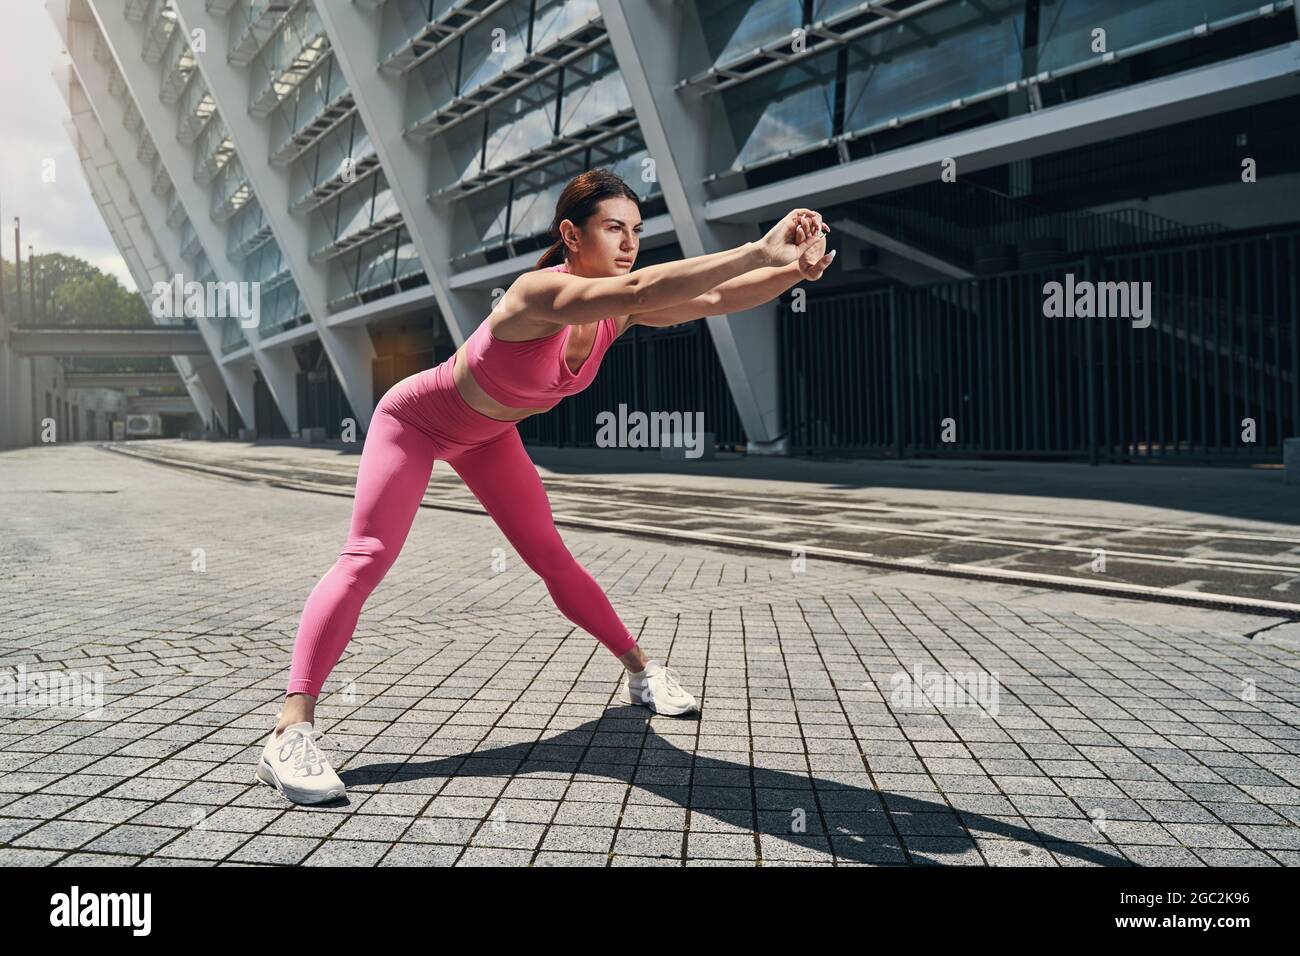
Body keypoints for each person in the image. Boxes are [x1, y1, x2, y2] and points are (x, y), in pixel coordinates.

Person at [256, 168, 835, 804]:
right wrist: (758, 248)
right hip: (416, 421)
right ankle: (291, 730)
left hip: (489, 437)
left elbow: (712, 300)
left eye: (636, 231)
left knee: (553, 560)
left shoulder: (619, 311)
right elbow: (646, 283)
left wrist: (791, 274)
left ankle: (641, 674)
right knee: (367, 557)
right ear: (571, 234)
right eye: (614, 228)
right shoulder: (536, 294)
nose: (629, 244)